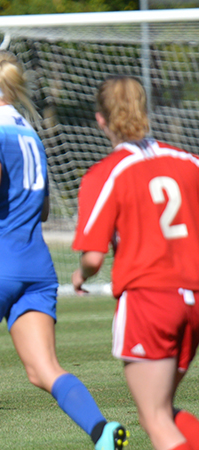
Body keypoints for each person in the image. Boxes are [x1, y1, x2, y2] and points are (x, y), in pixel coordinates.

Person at [0, 50, 128, 450]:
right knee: (43, 369)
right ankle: (102, 431)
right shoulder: (31, 134)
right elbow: (42, 207)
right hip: (36, 267)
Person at [72, 75, 199, 450]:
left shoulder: (106, 173)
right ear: (145, 111)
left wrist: (80, 275)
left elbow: (93, 257)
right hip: (194, 298)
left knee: (155, 418)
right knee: (161, 411)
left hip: (150, 300)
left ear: (101, 119)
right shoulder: (189, 162)